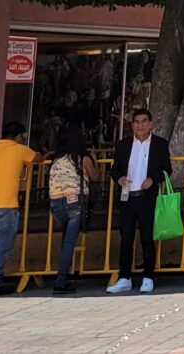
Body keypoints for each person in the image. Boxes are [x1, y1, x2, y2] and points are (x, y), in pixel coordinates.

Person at [107, 108, 172, 295]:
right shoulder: (123, 145)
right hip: (128, 197)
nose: (140, 125)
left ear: (150, 124)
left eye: (144, 121)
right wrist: (118, 178)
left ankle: (148, 277)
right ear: (132, 125)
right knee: (126, 239)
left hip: (147, 198)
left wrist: (153, 179)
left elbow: (167, 169)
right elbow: (115, 169)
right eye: (137, 122)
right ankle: (124, 277)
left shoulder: (159, 144)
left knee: (147, 238)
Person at [0, 121, 35, 295]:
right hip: (6, 205)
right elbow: (37, 158)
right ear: (18, 137)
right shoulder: (19, 150)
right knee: (2, 247)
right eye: (23, 138)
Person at [46, 123, 101, 295]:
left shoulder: (55, 159)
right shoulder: (81, 159)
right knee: (70, 242)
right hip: (74, 202)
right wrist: (94, 159)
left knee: (65, 240)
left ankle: (65, 273)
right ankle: (61, 280)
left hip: (55, 203)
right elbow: (94, 176)